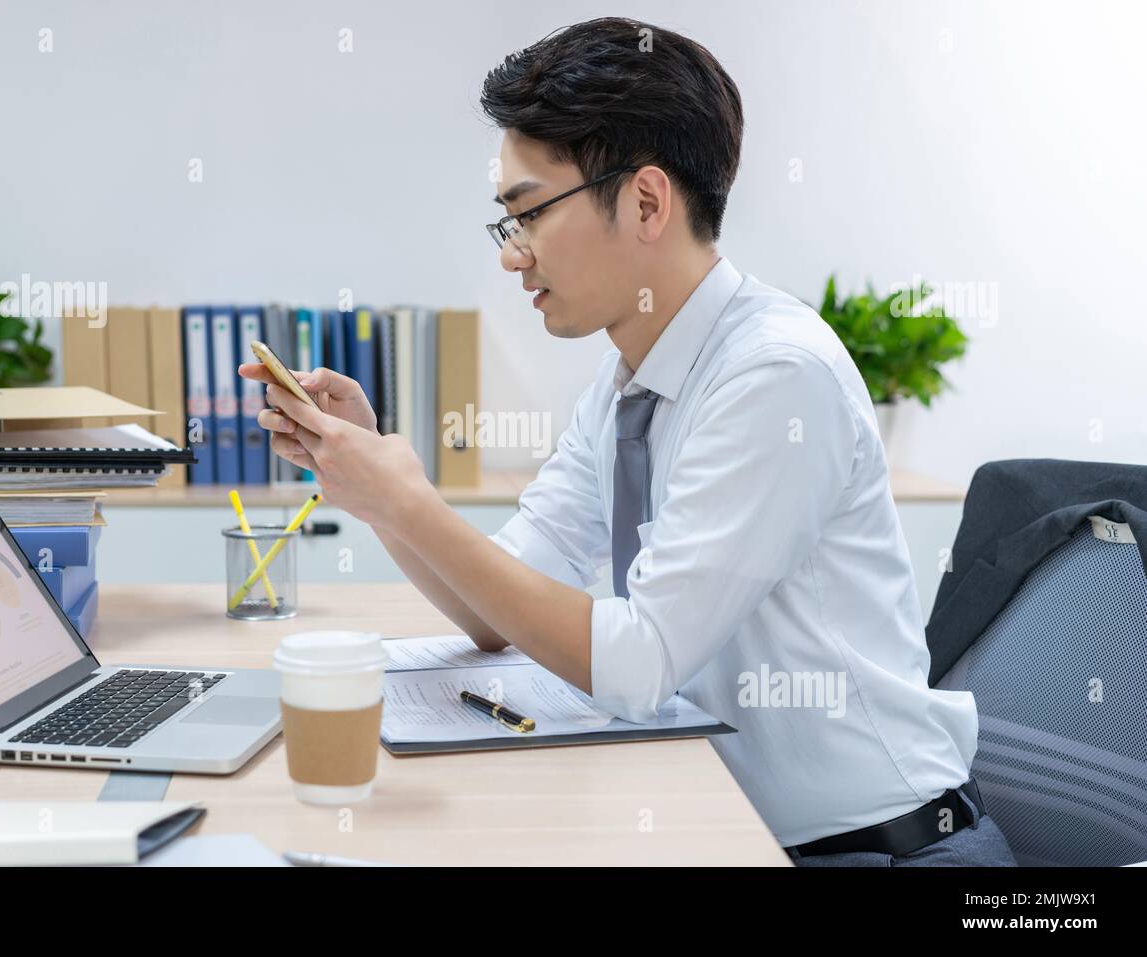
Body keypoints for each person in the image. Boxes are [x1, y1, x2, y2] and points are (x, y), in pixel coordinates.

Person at [240, 17, 1015, 866]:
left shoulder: (774, 377)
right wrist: (376, 489)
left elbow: (640, 660)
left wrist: (407, 501)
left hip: (877, 852)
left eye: (529, 213)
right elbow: (500, 612)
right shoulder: (629, 388)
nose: (514, 257)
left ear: (646, 201)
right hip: (734, 828)